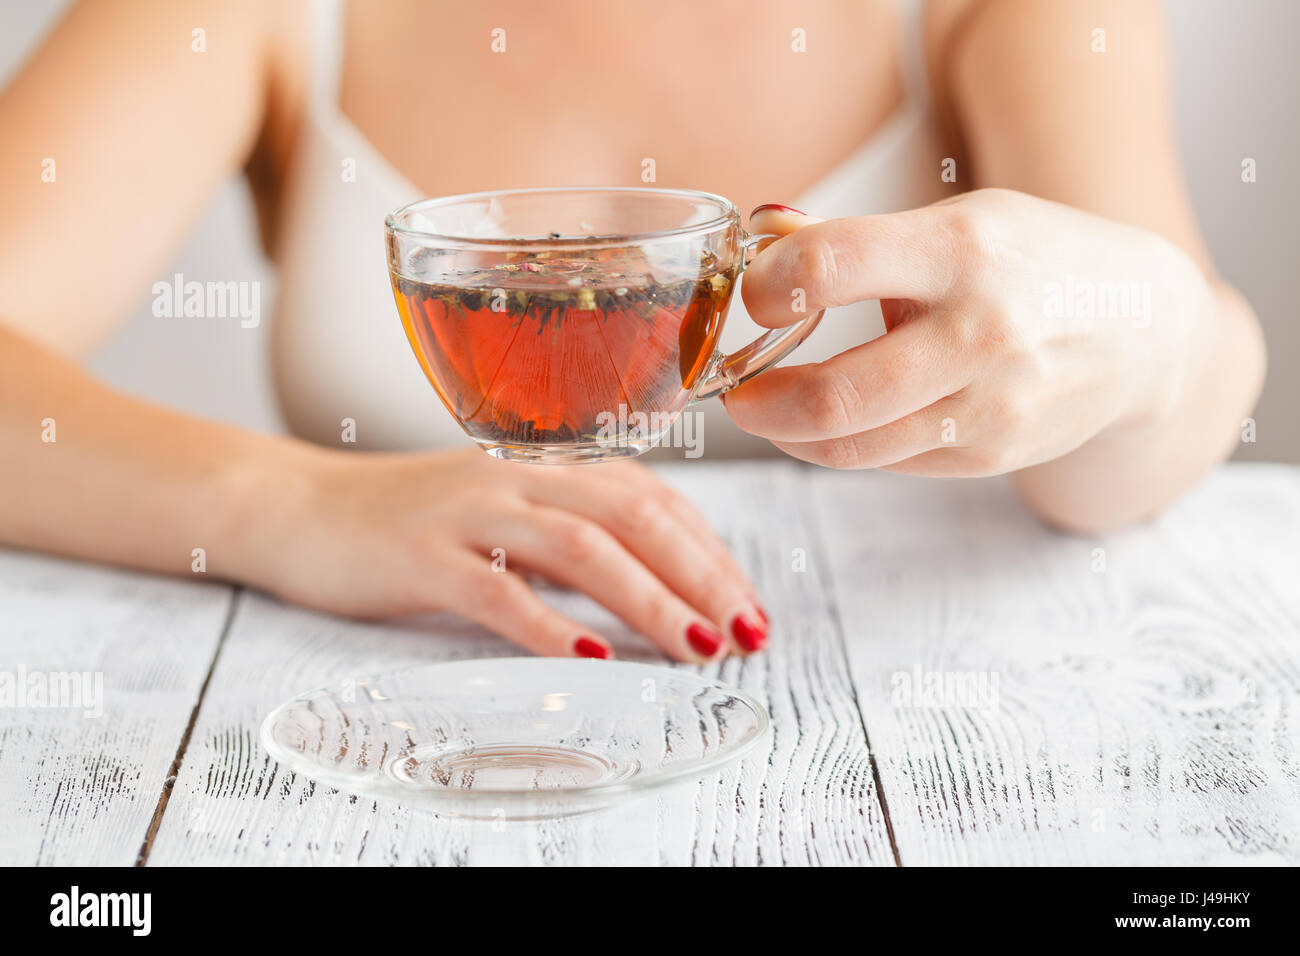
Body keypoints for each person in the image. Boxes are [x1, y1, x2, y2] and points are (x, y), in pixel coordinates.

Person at [0, 0, 1264, 661]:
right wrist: (299, 507)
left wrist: (1150, 339)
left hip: (878, 690)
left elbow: (1124, 461)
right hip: (406, 702)